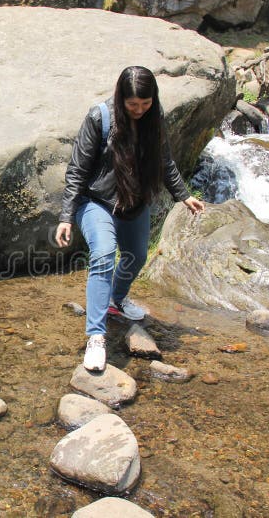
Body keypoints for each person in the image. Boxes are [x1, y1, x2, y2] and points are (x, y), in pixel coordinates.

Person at [55, 66, 205, 372]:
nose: (139, 110)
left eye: (145, 104)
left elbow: (164, 160)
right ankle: (96, 336)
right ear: (120, 98)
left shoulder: (154, 117)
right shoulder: (99, 118)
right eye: (132, 105)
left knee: (136, 257)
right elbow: (77, 171)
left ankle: (116, 300)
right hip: (97, 201)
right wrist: (66, 216)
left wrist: (183, 195)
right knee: (104, 254)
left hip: (134, 201)